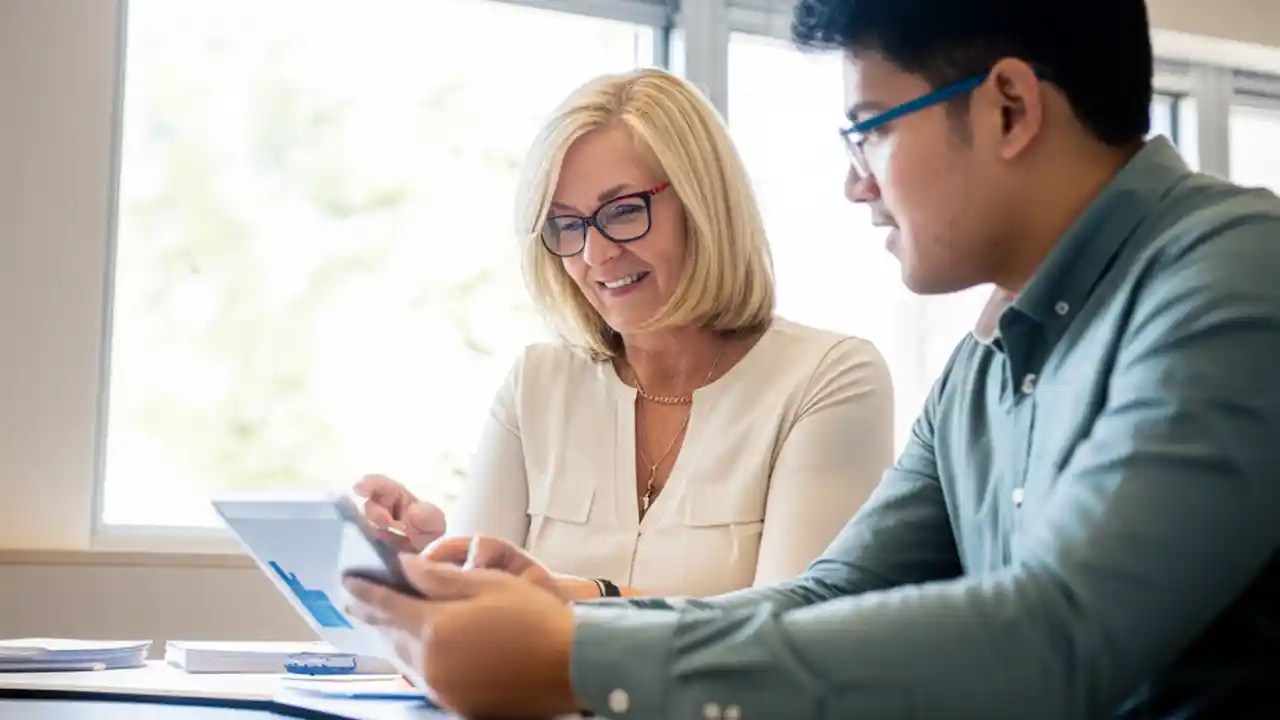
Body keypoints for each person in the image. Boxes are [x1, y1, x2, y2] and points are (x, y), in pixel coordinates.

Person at [344, 0, 1280, 717]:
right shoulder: (983, 368)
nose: (853, 180)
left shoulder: (1235, 274)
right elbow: (822, 598)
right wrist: (555, 619)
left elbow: (1057, 634)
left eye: (871, 126)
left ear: (1008, 107)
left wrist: (570, 657)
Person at [354, 67, 894, 601]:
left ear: (702, 204)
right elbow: (474, 617)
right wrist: (421, 570)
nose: (596, 254)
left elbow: (790, 633)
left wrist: (583, 596)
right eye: (566, 224)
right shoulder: (536, 386)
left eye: (623, 211)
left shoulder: (829, 379)